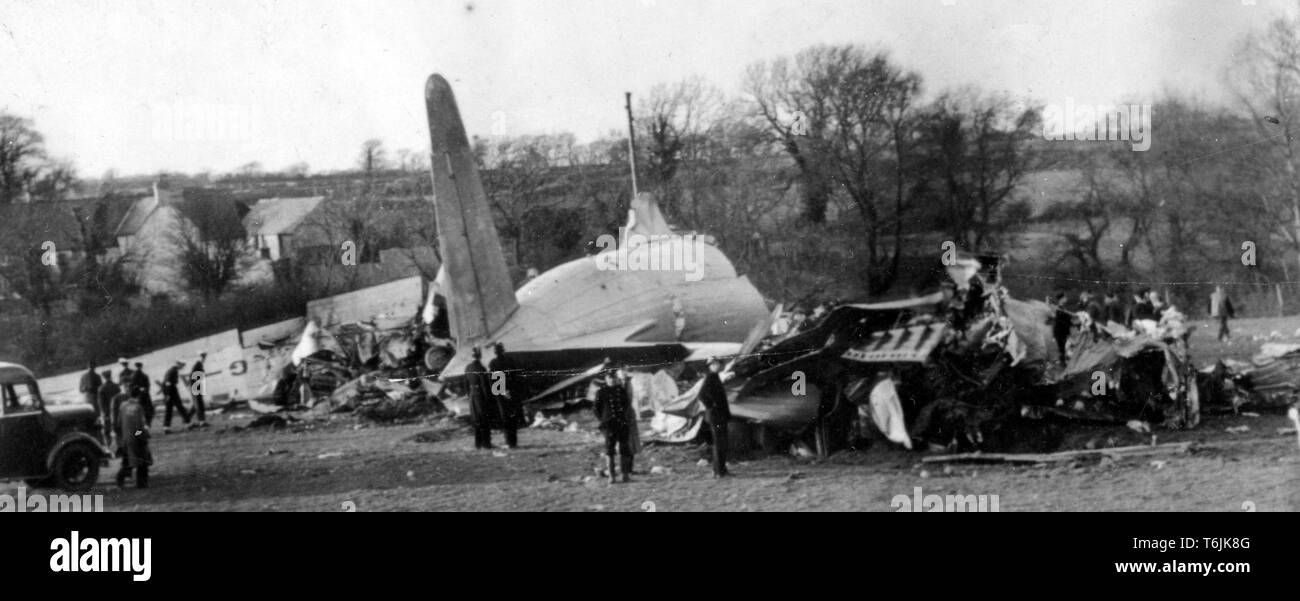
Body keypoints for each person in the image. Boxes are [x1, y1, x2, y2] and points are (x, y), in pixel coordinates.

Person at [592, 371, 635, 483]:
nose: (612, 379)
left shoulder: (621, 390)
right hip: (609, 424)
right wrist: (604, 419)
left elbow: (626, 404)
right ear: (606, 379)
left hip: (621, 422)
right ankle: (612, 476)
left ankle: (625, 475)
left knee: (624, 449)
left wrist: (623, 416)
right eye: (610, 377)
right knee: (609, 449)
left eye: (614, 377)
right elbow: (596, 409)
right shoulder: (601, 392)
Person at [697, 358, 731, 478]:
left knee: (721, 443)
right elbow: (701, 395)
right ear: (709, 366)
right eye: (714, 364)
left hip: (719, 415)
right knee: (719, 443)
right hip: (716, 415)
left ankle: (721, 469)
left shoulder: (715, 377)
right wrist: (711, 406)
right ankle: (719, 471)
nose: (716, 366)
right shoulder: (710, 377)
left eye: (717, 364)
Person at [114, 387, 152, 489]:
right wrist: (143, 434)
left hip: (126, 437)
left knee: (127, 461)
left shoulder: (123, 405)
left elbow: (119, 422)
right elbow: (140, 426)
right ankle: (141, 483)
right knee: (143, 461)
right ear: (138, 396)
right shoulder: (138, 407)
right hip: (136, 436)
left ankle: (120, 479)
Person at [488, 343, 522, 449]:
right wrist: (511, 391)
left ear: (495, 352)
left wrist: (503, 391)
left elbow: (494, 381)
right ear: (503, 350)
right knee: (512, 417)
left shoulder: (493, 363)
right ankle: (514, 442)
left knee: (505, 418)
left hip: (502, 395)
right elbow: (515, 378)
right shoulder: (510, 361)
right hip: (512, 393)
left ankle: (508, 442)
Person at [466, 347, 497, 449]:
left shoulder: (468, 367)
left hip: (472, 396)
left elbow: (466, 384)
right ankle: (486, 443)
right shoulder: (481, 368)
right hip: (481, 397)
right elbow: (484, 386)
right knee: (484, 420)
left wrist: (470, 396)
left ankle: (478, 443)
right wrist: (489, 399)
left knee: (476, 420)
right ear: (480, 356)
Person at [161, 360, 192, 433]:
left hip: (169, 390)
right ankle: (188, 424)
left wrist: (167, 394)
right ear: (178, 364)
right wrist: (168, 395)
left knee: (170, 409)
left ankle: (166, 428)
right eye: (182, 365)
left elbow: (166, 383)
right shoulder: (173, 371)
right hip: (171, 390)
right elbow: (168, 383)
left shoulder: (172, 370)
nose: (183, 367)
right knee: (179, 407)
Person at [1049, 293, 1073, 367]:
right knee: (1062, 348)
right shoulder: (1059, 309)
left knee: (1063, 347)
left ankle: (1063, 361)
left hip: (1063, 331)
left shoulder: (1062, 308)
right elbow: (1060, 320)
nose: (1066, 299)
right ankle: (1063, 363)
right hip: (1060, 331)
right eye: (1065, 297)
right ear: (1061, 299)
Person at [97, 370, 120, 446]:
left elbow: (101, 404)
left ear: (104, 377)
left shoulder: (101, 388)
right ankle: (119, 444)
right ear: (110, 376)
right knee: (118, 428)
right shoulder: (116, 386)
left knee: (107, 431)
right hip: (117, 411)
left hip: (108, 412)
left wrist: (103, 414)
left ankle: (108, 445)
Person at [131, 362, 155, 426]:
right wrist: (142, 389)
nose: (138, 368)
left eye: (139, 367)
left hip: (141, 396)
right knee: (147, 412)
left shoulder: (135, 376)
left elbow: (132, 387)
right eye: (138, 367)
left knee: (146, 412)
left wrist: (141, 390)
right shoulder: (142, 375)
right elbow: (147, 386)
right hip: (142, 396)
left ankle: (145, 426)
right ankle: (145, 426)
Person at [188, 353, 209, 428]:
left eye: (204, 357)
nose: (204, 359)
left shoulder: (199, 365)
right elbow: (194, 377)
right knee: (199, 404)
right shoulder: (197, 365)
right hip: (196, 386)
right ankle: (202, 422)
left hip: (197, 385)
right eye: (203, 357)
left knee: (196, 404)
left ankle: (186, 418)